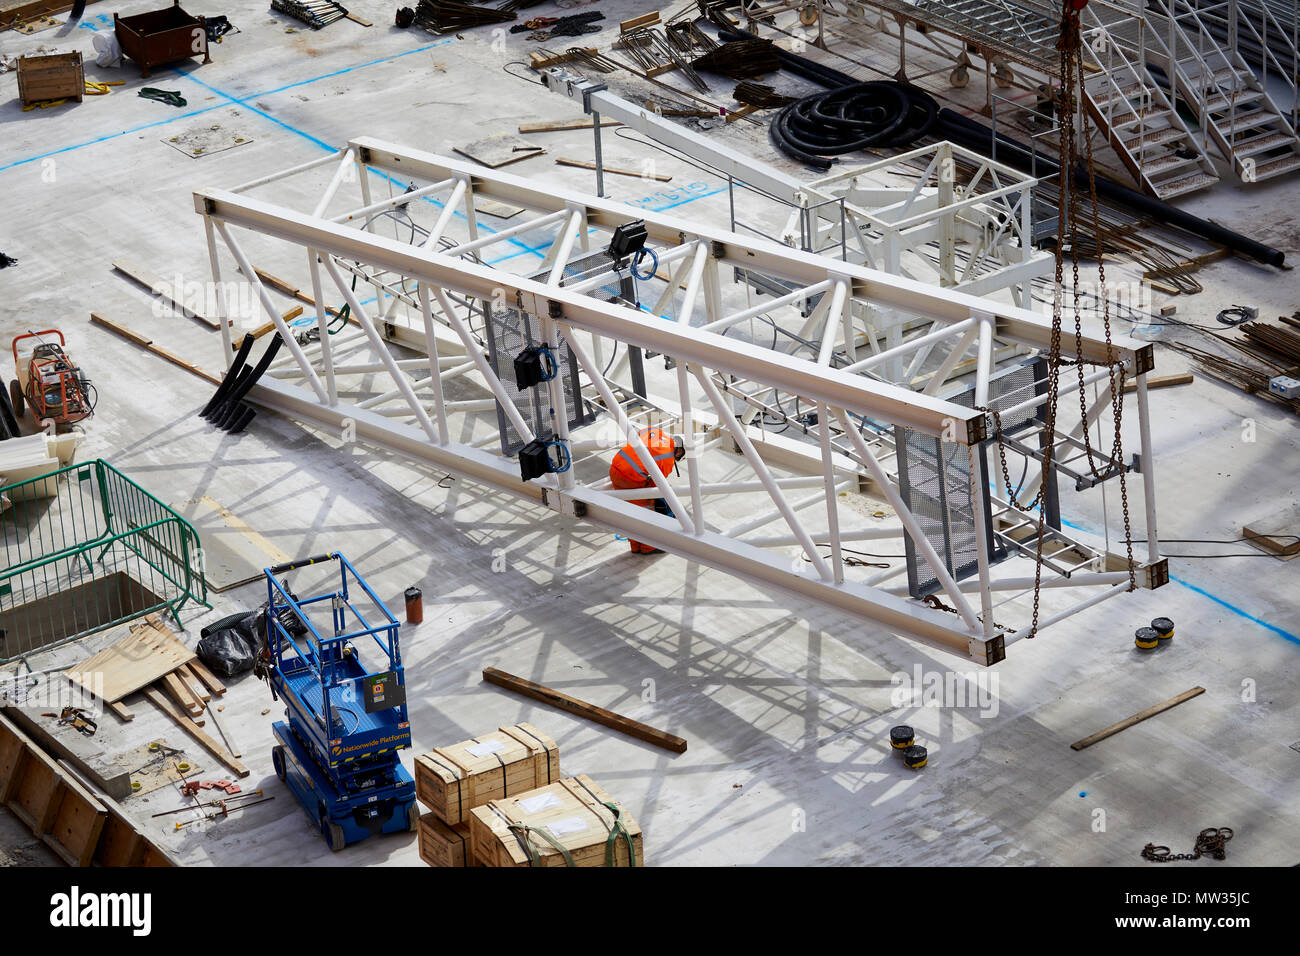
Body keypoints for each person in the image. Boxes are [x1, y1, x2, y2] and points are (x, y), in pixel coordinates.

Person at [608, 427, 685, 554]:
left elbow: (637, 435)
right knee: (645, 510)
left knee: (630, 510)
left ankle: (635, 546)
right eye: (679, 456)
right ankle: (647, 548)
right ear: (679, 450)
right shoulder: (668, 461)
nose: (676, 458)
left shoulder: (655, 432)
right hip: (630, 478)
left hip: (615, 467)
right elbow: (658, 487)